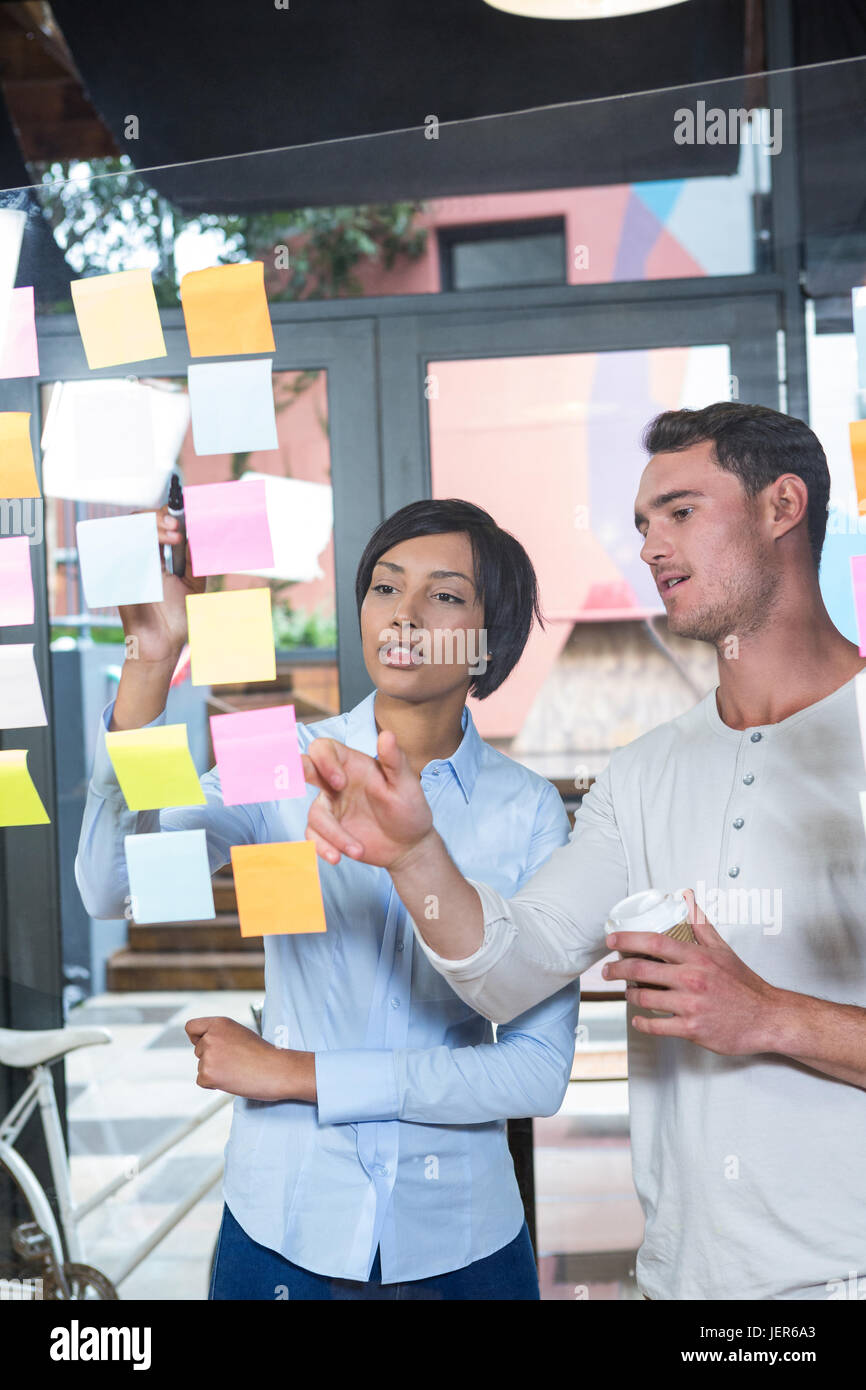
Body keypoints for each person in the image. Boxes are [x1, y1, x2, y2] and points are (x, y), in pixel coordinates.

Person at [303, 402, 866, 1301]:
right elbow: (509, 972)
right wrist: (415, 856)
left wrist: (770, 1017)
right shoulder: (642, 775)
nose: (649, 545)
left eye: (680, 512)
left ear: (782, 506)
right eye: (643, 524)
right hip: (685, 1284)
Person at [75, 496, 580, 1300]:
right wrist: (150, 659)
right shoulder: (278, 757)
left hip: (461, 1238)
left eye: (444, 594)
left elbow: (535, 1075)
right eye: (385, 587)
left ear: (490, 639)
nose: (404, 615)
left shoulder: (526, 810)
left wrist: (297, 1072)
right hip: (282, 1227)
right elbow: (113, 884)